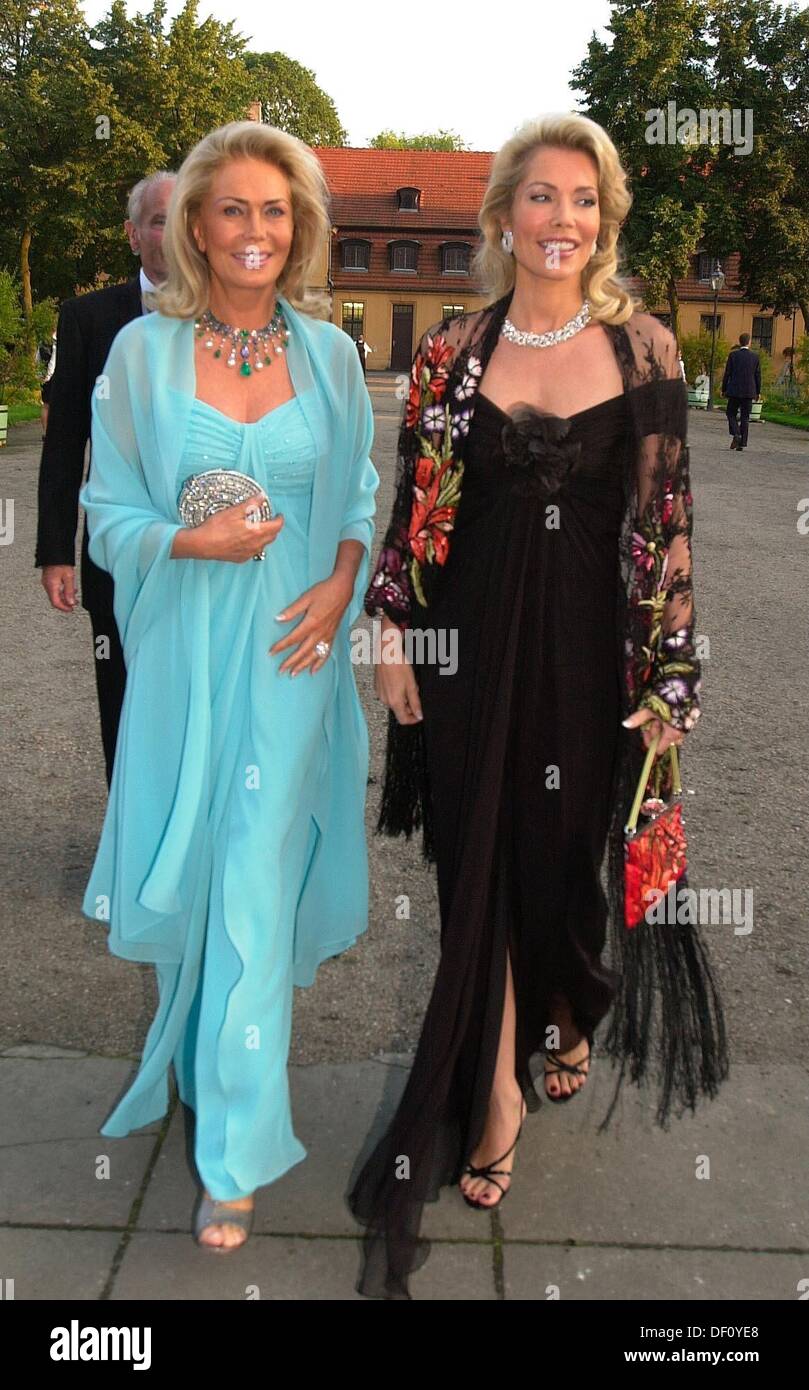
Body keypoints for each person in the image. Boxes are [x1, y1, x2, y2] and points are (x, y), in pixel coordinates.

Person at [347, 112, 728, 1300]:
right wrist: (391, 626)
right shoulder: (448, 351)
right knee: (477, 858)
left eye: (583, 201)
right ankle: (495, 1084)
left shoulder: (647, 351)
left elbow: (662, 524)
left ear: (601, 221)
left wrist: (672, 674)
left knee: (565, 863)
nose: (561, 220)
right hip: (466, 642)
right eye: (541, 197)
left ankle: (571, 1001)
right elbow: (416, 497)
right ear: (502, 212)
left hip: (586, 652)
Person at [78, 120, 378, 1251]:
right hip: (182, 652)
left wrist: (342, 576)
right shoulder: (140, 358)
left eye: (275, 209)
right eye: (232, 209)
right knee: (200, 865)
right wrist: (184, 545)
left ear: (297, 226)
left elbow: (353, 495)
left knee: (254, 870)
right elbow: (106, 514)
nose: (256, 230)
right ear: (193, 227)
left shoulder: (333, 356)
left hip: (294, 653)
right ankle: (208, 1056)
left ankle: (234, 1149)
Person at [35, 171, 176, 785]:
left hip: (207, 549)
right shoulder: (88, 318)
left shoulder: (231, 317)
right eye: (158, 220)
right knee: (119, 688)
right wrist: (53, 550)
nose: (173, 235)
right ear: (132, 234)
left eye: (185, 217)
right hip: (114, 551)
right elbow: (65, 441)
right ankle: (128, 830)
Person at [721, 332, 761, 450]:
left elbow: (727, 373)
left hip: (734, 390)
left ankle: (736, 433)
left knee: (730, 413)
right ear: (749, 342)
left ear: (739, 342)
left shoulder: (733, 355)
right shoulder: (755, 357)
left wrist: (724, 389)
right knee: (745, 417)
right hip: (749, 391)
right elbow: (757, 376)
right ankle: (742, 443)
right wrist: (758, 391)